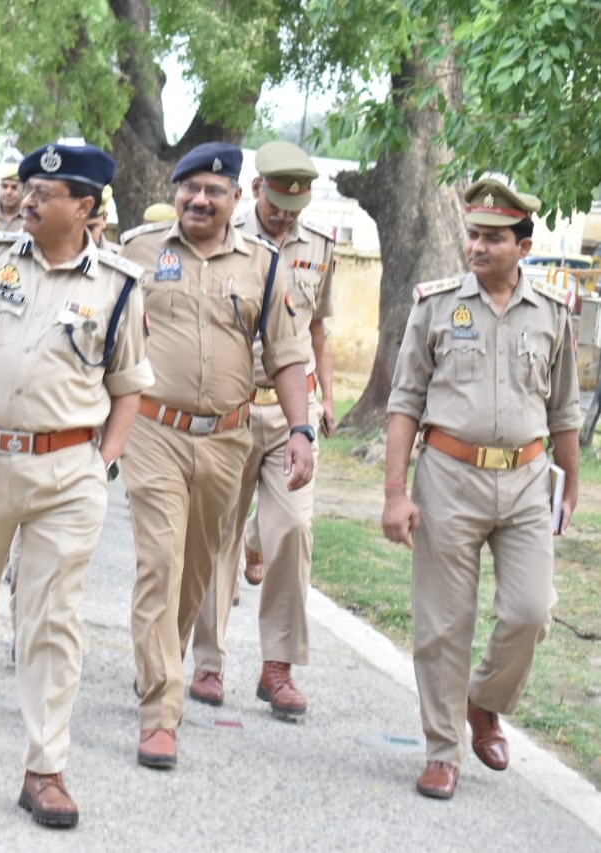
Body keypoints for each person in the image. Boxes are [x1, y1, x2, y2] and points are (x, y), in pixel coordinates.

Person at [0, 142, 152, 829]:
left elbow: (129, 386)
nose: (27, 199)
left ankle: (45, 766)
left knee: (52, 618)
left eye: (45, 193)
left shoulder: (118, 285)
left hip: (66, 475)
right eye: (25, 187)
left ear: (85, 207)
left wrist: (100, 463)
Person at [382, 177, 580, 800]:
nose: (476, 247)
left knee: (531, 611)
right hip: (448, 476)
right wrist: (394, 491)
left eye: (493, 238)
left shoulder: (551, 312)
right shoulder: (436, 305)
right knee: (443, 624)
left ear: (523, 245)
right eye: (472, 234)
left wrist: (571, 484)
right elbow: (404, 401)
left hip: (525, 481)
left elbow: (565, 409)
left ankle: (485, 700)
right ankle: (443, 750)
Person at [119, 142, 314, 769]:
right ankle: (160, 711)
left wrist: (302, 430)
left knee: (197, 571)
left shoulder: (264, 263)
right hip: (154, 430)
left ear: (237, 199)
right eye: (189, 188)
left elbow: (287, 354)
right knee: (159, 560)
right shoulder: (137, 251)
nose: (199, 200)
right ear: (175, 191)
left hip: (227, 440)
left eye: (213, 191)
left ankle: (163, 663)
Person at [189, 141, 335, 714]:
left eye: (294, 207)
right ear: (255, 192)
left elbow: (318, 329)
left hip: (289, 413)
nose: (284, 215)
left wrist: (325, 395)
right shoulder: (227, 239)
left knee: (293, 532)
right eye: (275, 203)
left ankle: (277, 666)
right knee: (219, 534)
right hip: (230, 406)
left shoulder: (320, 248)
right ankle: (208, 662)